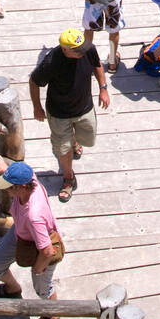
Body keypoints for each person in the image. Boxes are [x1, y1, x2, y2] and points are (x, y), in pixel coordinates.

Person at [0, 156, 64, 319]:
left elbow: (47, 251)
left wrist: (37, 269)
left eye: (9, 187)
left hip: (39, 246)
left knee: (42, 288)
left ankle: (53, 312)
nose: (6, 191)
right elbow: (24, 173)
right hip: (20, 233)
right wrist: (5, 169)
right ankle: (13, 288)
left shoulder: (34, 215)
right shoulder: (30, 180)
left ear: (21, 187)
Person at [30, 28, 109, 201]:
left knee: (88, 139)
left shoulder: (87, 49)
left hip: (84, 108)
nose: (83, 51)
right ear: (65, 49)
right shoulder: (52, 61)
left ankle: (74, 141)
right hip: (59, 113)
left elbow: (97, 64)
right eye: (77, 50)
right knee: (63, 149)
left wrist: (103, 88)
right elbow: (34, 81)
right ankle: (68, 178)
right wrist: (37, 107)